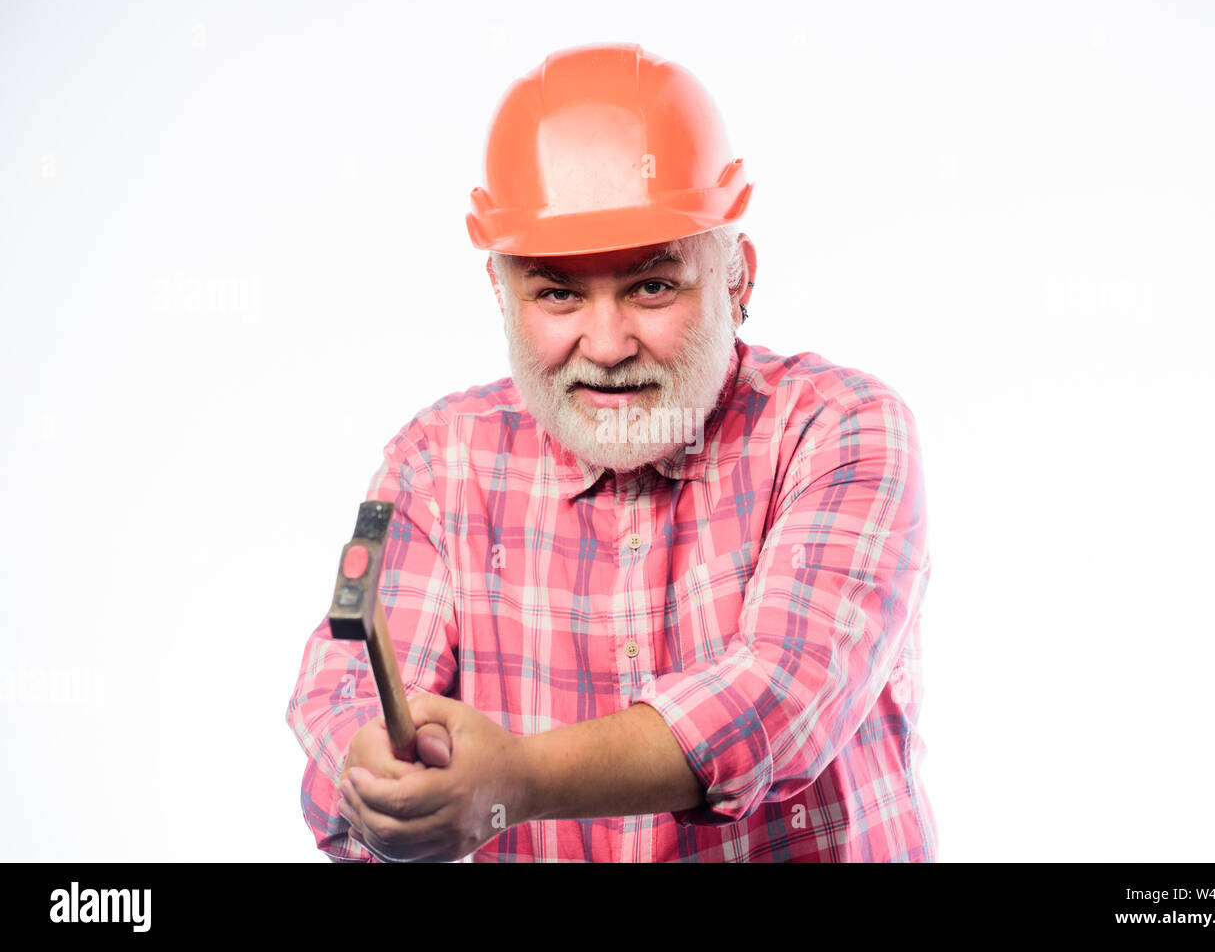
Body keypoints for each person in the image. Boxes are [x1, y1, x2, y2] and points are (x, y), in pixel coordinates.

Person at [285, 42, 936, 862]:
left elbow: (784, 693)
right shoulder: (435, 463)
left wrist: (516, 779)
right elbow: (342, 701)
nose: (607, 343)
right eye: (557, 292)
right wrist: (381, 778)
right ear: (501, 293)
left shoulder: (841, 428)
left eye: (651, 285)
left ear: (738, 278)